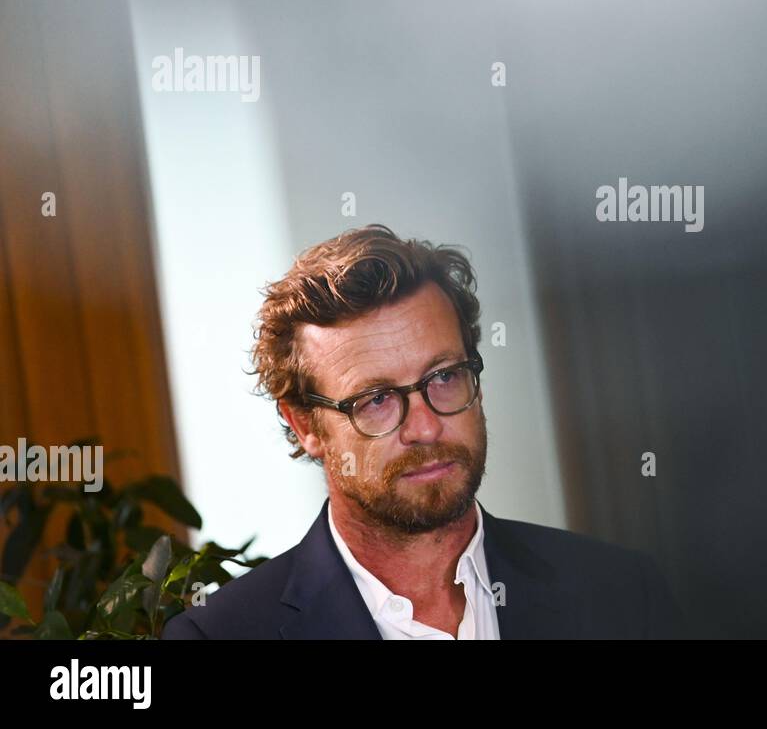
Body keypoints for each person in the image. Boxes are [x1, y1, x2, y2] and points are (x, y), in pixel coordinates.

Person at [162, 224, 685, 639]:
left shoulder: (619, 592)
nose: (427, 426)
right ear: (305, 425)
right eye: (376, 399)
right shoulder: (220, 636)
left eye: (444, 377)